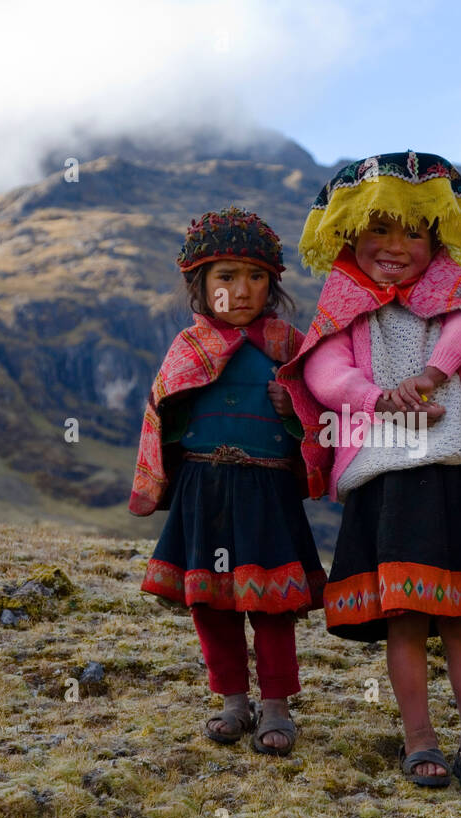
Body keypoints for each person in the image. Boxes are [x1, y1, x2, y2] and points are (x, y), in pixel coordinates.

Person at [277, 152, 461, 795]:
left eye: (413, 233)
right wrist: (376, 399)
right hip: (390, 480)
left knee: (460, 618)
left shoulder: (453, 294)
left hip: (458, 471)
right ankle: (419, 740)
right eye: (379, 230)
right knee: (406, 618)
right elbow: (322, 372)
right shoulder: (343, 304)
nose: (396, 247)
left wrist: (431, 374)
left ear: (437, 241)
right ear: (348, 237)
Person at [128, 206, 326, 756]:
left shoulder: (292, 347)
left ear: (273, 285)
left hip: (267, 492)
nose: (242, 291)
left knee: (271, 601)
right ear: (201, 285)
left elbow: (322, 418)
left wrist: (295, 409)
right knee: (212, 604)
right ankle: (233, 702)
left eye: (256, 277)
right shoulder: (187, 349)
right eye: (226, 277)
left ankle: (278, 708)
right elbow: (162, 415)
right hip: (203, 490)